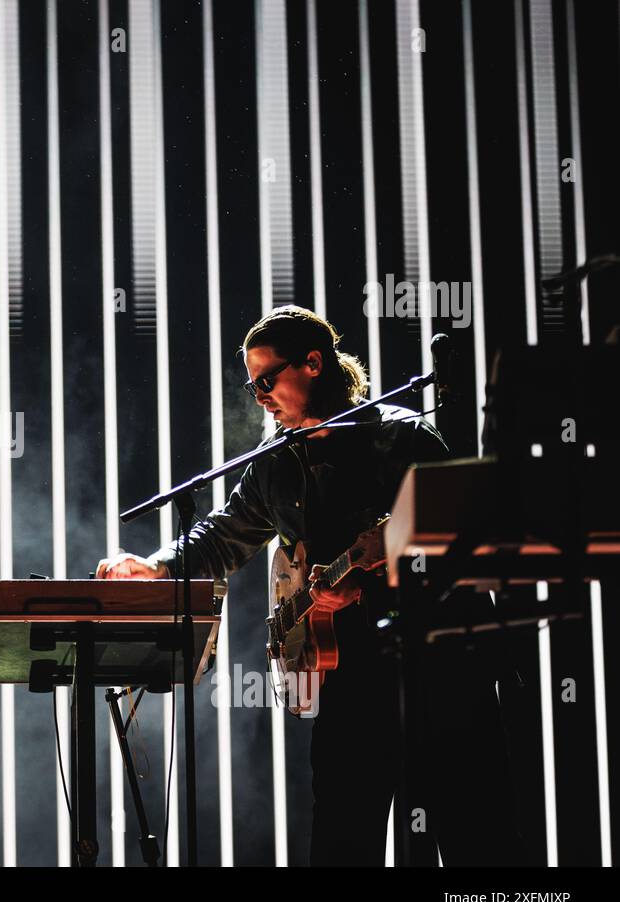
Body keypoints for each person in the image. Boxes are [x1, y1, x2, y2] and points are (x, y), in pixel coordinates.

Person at [97, 305, 525, 866]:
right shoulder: (277, 462)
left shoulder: (399, 437)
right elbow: (224, 534)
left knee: (478, 839)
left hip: (442, 669)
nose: (259, 396)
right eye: (252, 386)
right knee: (344, 839)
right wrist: (157, 566)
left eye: (267, 380)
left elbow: (465, 532)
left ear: (314, 364)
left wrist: (382, 576)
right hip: (352, 678)